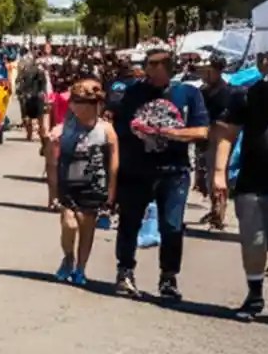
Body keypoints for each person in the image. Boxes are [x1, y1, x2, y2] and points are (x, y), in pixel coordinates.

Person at [109, 48, 210, 301]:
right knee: (129, 222)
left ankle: (168, 277)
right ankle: (125, 272)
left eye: (157, 64)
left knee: (172, 226)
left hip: (174, 172)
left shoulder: (187, 93)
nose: (151, 69)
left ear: (170, 66)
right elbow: (118, 130)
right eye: (148, 64)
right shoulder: (132, 93)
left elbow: (202, 131)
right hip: (136, 170)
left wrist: (168, 133)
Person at [212, 53, 268, 320]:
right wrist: (218, 173)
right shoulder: (245, 95)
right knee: (254, 242)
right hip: (252, 181)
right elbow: (227, 135)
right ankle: (255, 295)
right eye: (265, 55)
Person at [47, 79, 118, 286]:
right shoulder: (66, 127)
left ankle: (81, 268)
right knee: (69, 223)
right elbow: (52, 160)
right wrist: (52, 191)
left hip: (94, 186)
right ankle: (68, 257)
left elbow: (113, 164)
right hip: (68, 184)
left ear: (95, 106)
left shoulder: (106, 130)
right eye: (74, 102)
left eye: (80, 102)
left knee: (87, 229)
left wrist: (111, 194)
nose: (74, 106)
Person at [195, 55, 234, 226]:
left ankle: (219, 210)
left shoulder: (228, 91)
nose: (205, 75)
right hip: (204, 138)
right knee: (205, 175)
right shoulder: (202, 91)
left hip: (221, 139)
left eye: (208, 71)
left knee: (218, 174)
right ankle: (214, 207)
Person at [16, 48, 50, 142]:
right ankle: (41, 135)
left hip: (27, 96)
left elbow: (19, 82)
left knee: (28, 116)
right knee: (40, 117)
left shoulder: (24, 70)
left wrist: (20, 93)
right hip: (36, 96)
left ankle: (30, 135)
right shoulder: (40, 70)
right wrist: (43, 93)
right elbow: (43, 84)